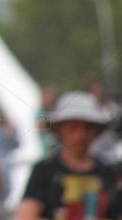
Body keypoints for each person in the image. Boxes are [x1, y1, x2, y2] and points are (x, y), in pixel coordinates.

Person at [17, 91, 119, 220]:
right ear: (59, 129)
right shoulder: (44, 170)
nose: (81, 135)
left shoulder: (107, 172)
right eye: (73, 127)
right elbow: (26, 215)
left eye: (87, 127)